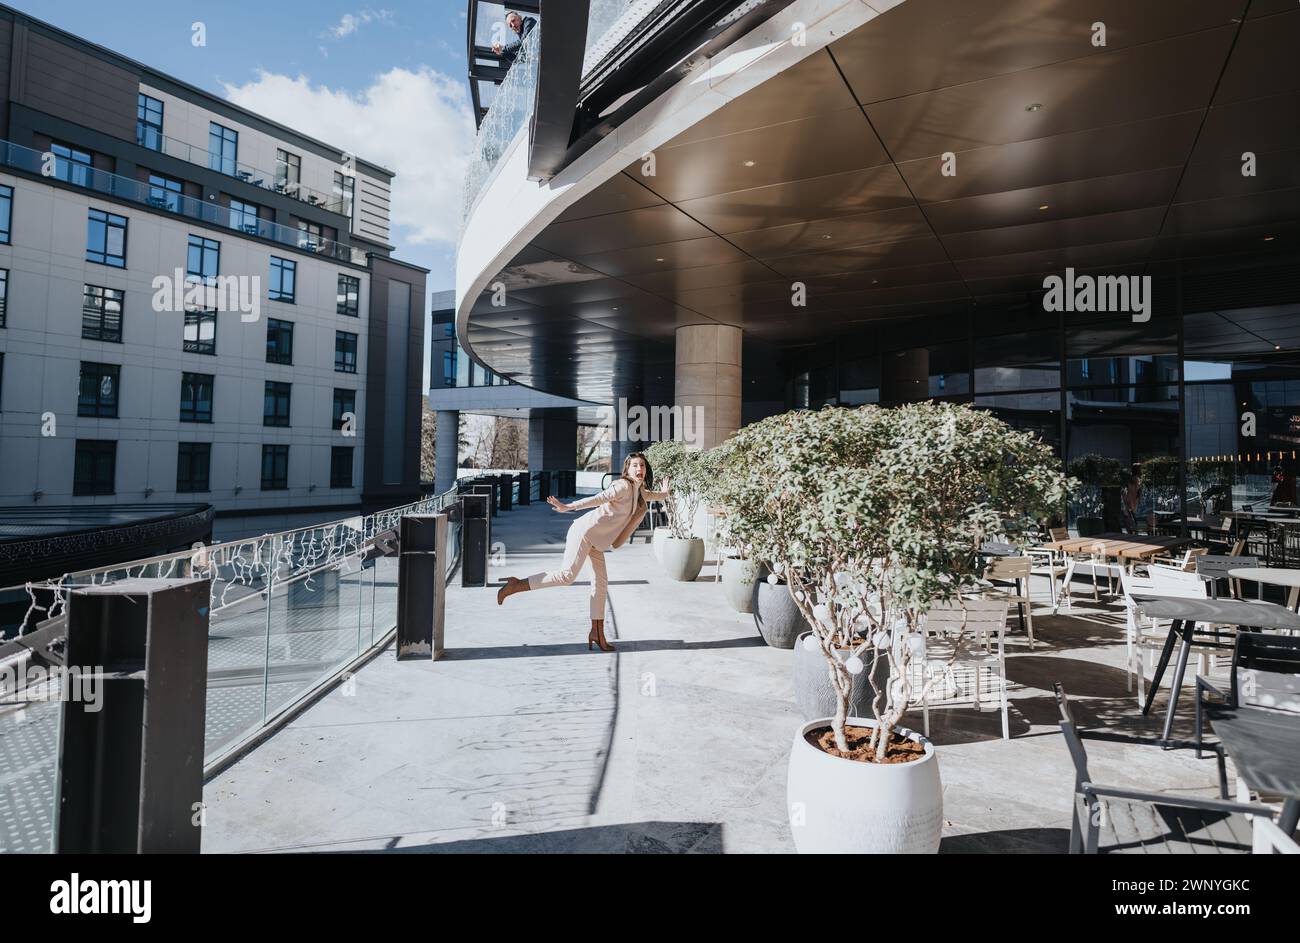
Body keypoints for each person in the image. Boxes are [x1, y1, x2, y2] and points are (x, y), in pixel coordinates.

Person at [496, 452, 669, 651]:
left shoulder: (639, 491)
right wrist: (568, 506)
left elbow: (654, 495)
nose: (639, 469)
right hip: (584, 532)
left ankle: (597, 633)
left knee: (600, 585)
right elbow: (598, 498)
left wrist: (666, 492)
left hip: (596, 542)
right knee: (567, 576)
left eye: (642, 466)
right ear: (627, 469)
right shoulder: (622, 486)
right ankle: (516, 585)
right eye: (635, 465)